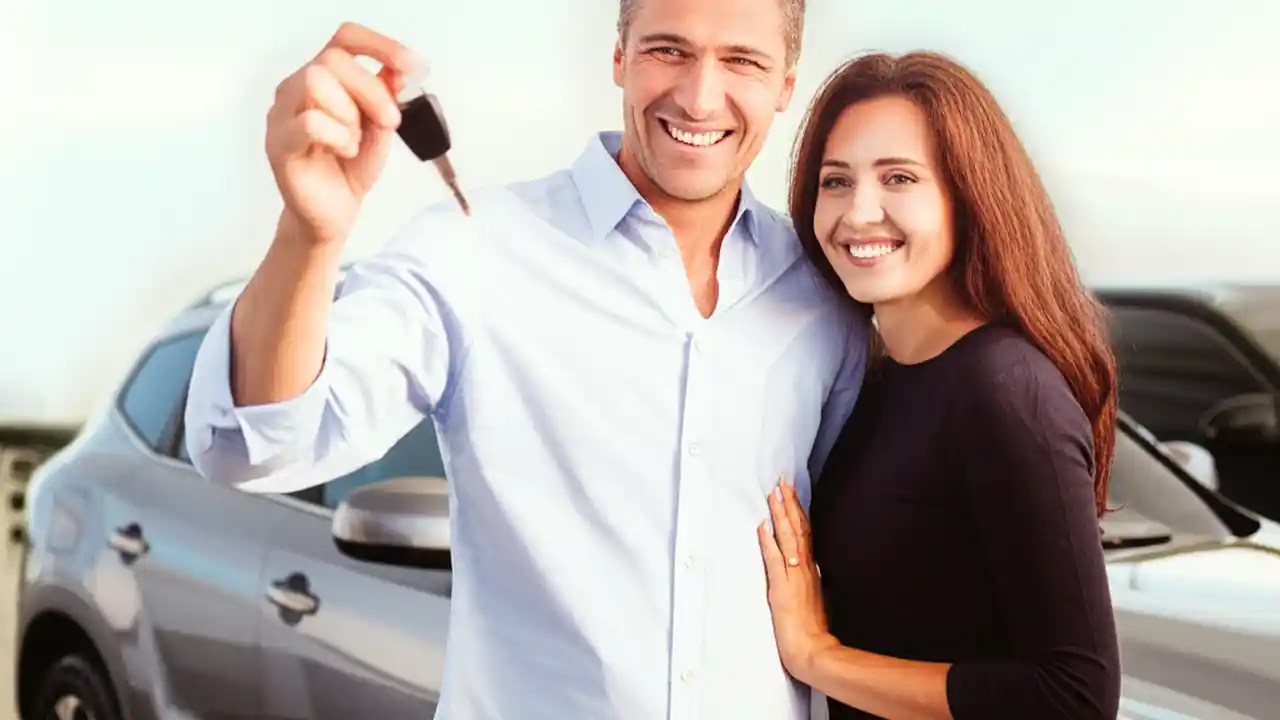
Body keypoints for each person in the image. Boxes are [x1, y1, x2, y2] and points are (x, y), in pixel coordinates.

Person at [183, 1, 868, 718]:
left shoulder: (826, 297)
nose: (699, 95)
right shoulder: (474, 250)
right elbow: (253, 444)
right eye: (668, 50)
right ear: (619, 57)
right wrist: (307, 234)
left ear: (786, 84)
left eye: (742, 61)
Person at [757, 51, 1122, 719]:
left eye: (898, 178)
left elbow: (1074, 697)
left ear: (970, 194)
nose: (858, 213)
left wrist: (816, 656)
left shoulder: (1003, 389)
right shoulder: (875, 376)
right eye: (835, 182)